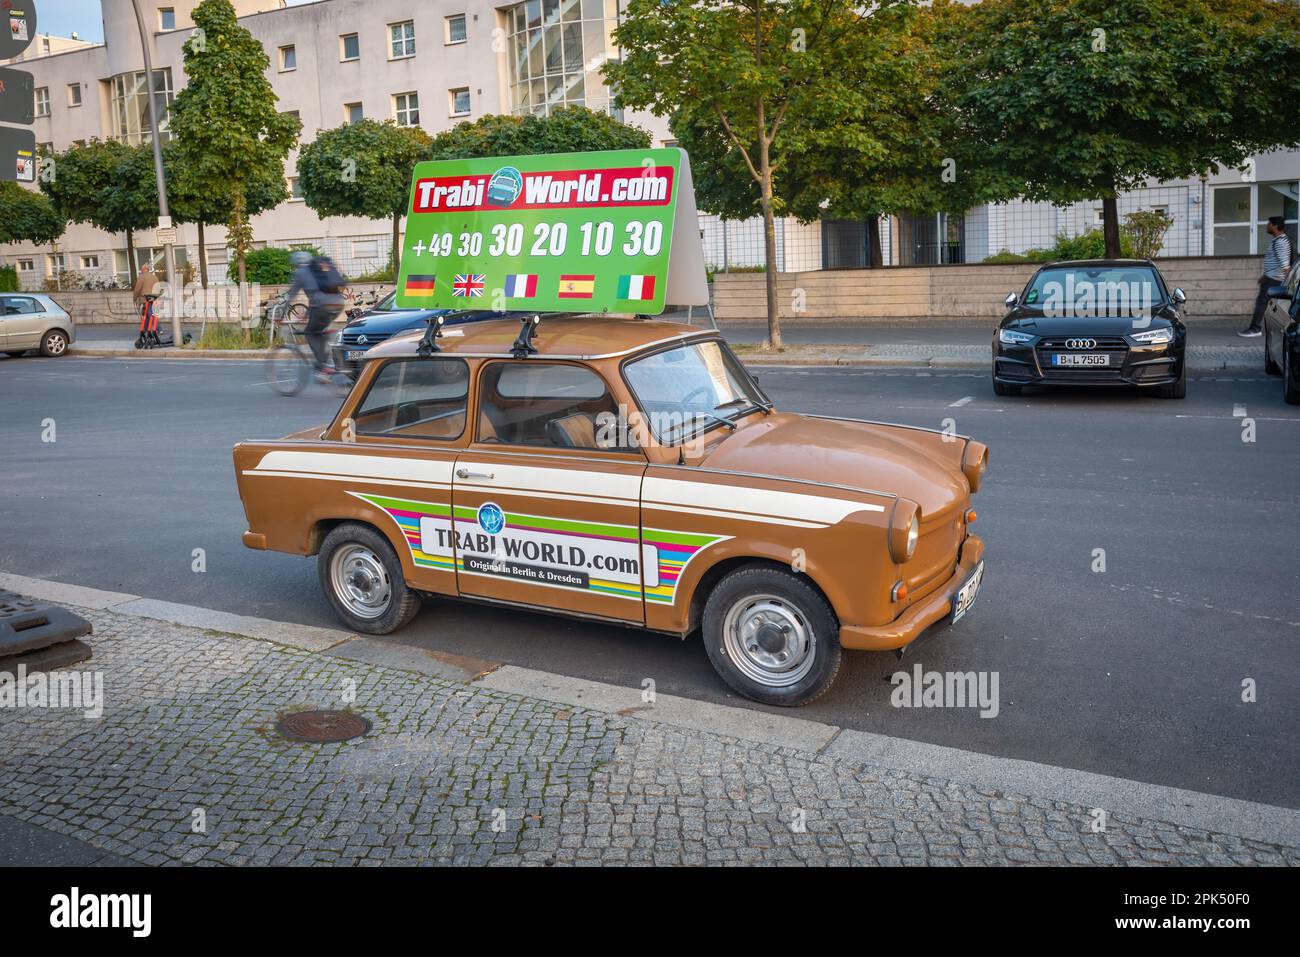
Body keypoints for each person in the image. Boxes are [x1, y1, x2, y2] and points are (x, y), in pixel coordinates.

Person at [285, 251, 345, 382]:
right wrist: (306, 314)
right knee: (320, 331)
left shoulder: (301, 273)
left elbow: (291, 294)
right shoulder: (319, 270)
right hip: (339, 304)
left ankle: (324, 367)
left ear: (297, 264)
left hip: (322, 307)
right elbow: (317, 295)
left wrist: (281, 311)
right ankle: (327, 364)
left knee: (310, 333)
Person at [1241, 216, 1292, 338]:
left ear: (1275, 226)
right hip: (1270, 278)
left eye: (1269, 223)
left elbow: (1285, 265)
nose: (1266, 225)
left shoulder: (1281, 242)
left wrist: (1290, 283)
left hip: (1275, 280)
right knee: (1265, 304)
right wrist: (1265, 276)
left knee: (1262, 303)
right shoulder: (1277, 240)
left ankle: (1255, 328)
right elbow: (1275, 261)